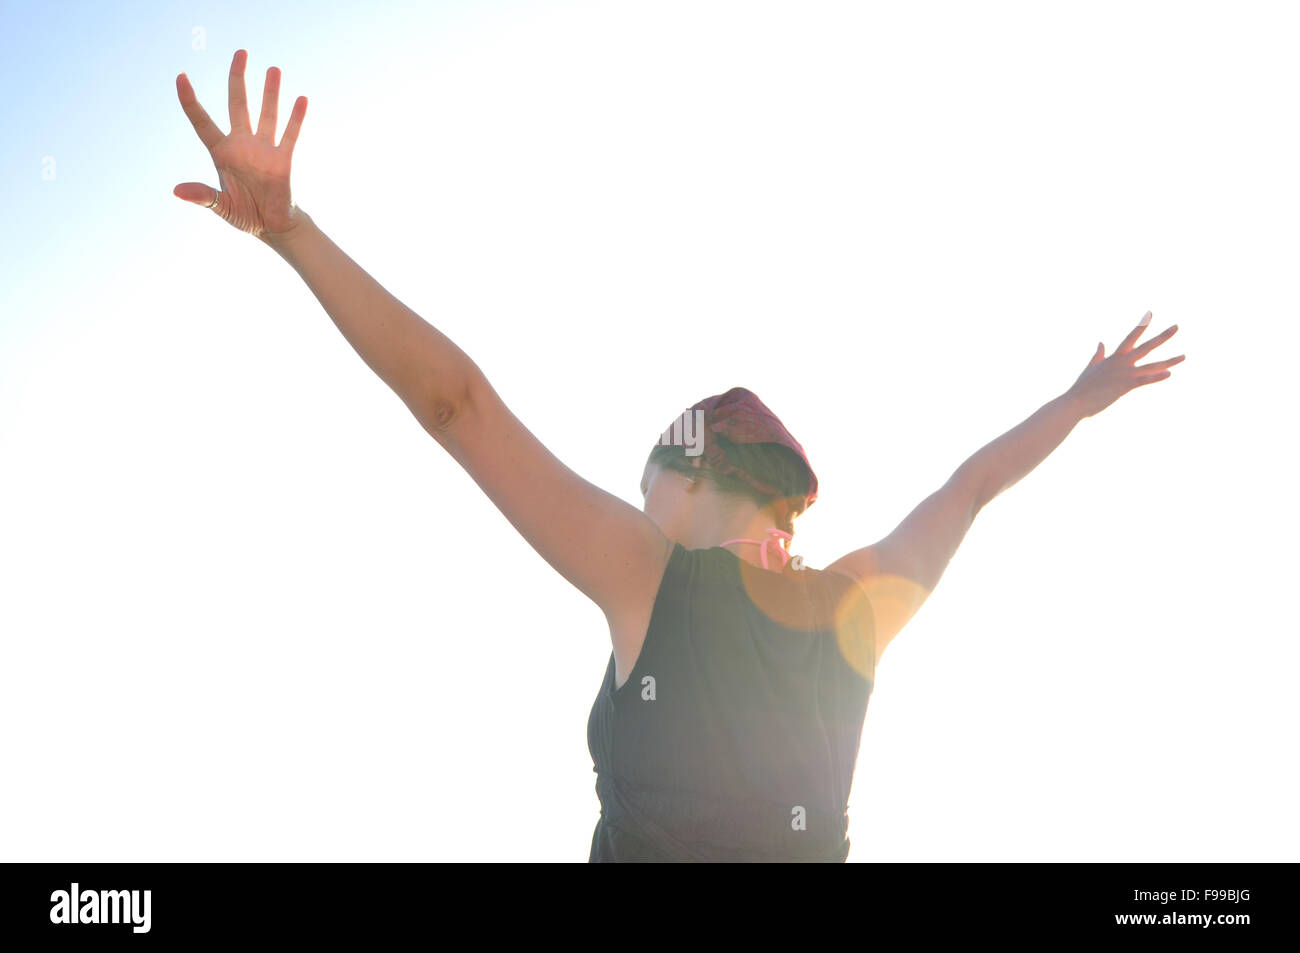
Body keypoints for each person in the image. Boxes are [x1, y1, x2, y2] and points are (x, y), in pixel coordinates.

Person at [173, 50, 1187, 862]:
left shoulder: (653, 580)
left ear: (694, 471)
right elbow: (970, 487)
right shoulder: (856, 608)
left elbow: (457, 407)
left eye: (647, 470)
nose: (635, 492)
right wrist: (1076, 402)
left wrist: (293, 233)